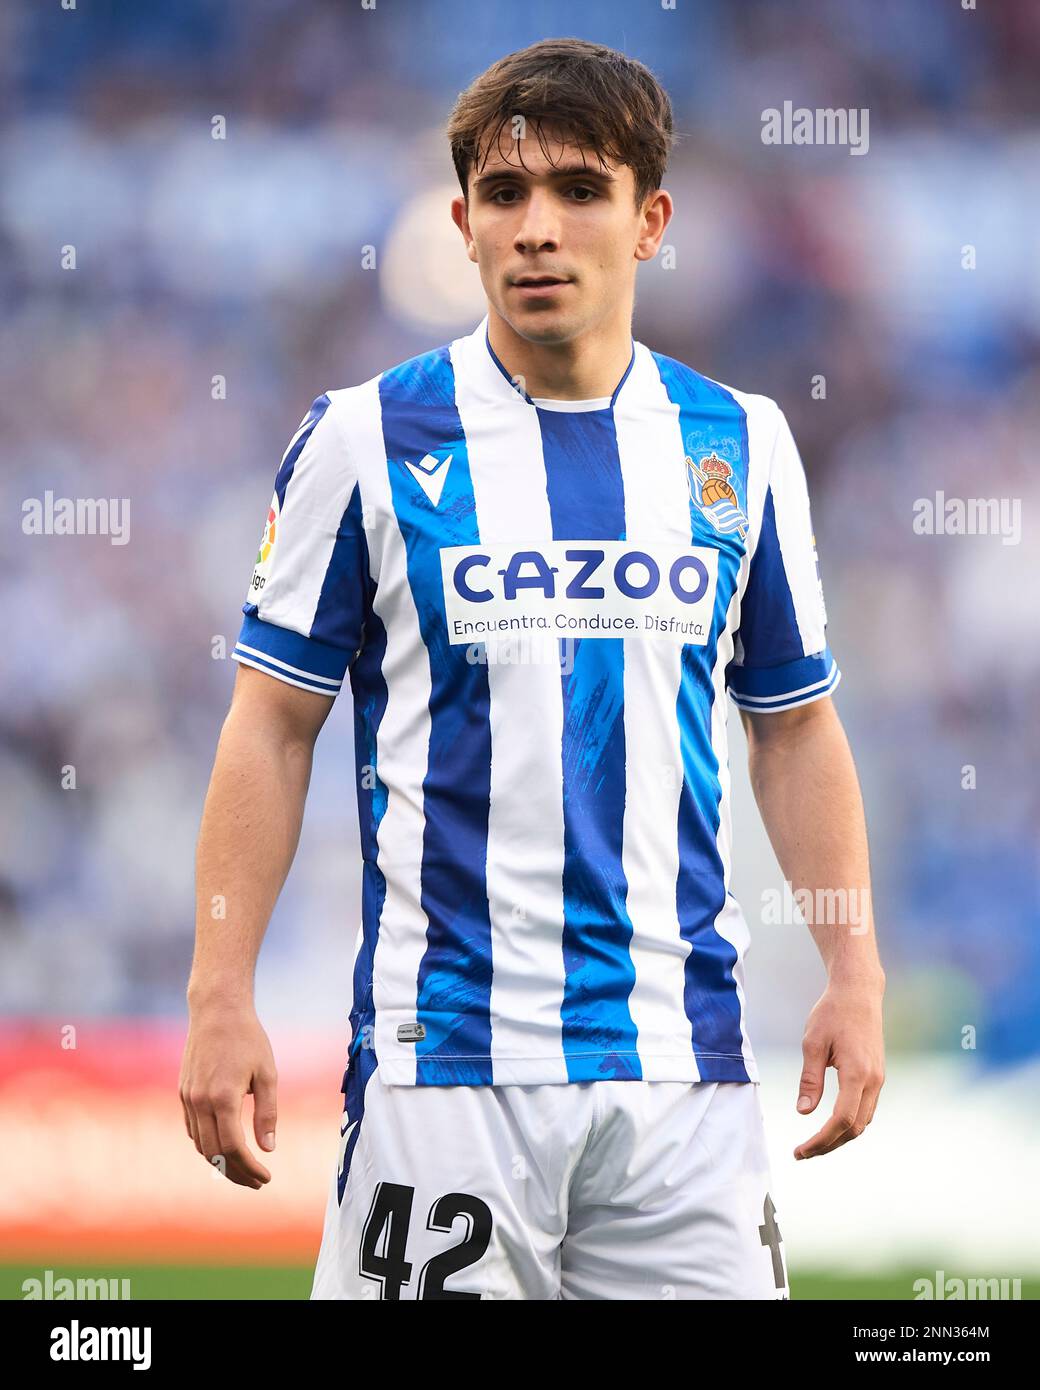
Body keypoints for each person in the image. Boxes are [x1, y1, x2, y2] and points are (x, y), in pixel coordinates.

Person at [180, 37, 885, 1301]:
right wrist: (218, 991)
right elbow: (271, 726)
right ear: (460, 223)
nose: (537, 229)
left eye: (577, 189)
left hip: (681, 1065)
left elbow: (792, 727)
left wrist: (852, 968)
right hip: (447, 1064)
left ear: (649, 218)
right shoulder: (362, 440)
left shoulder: (742, 443)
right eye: (503, 196)